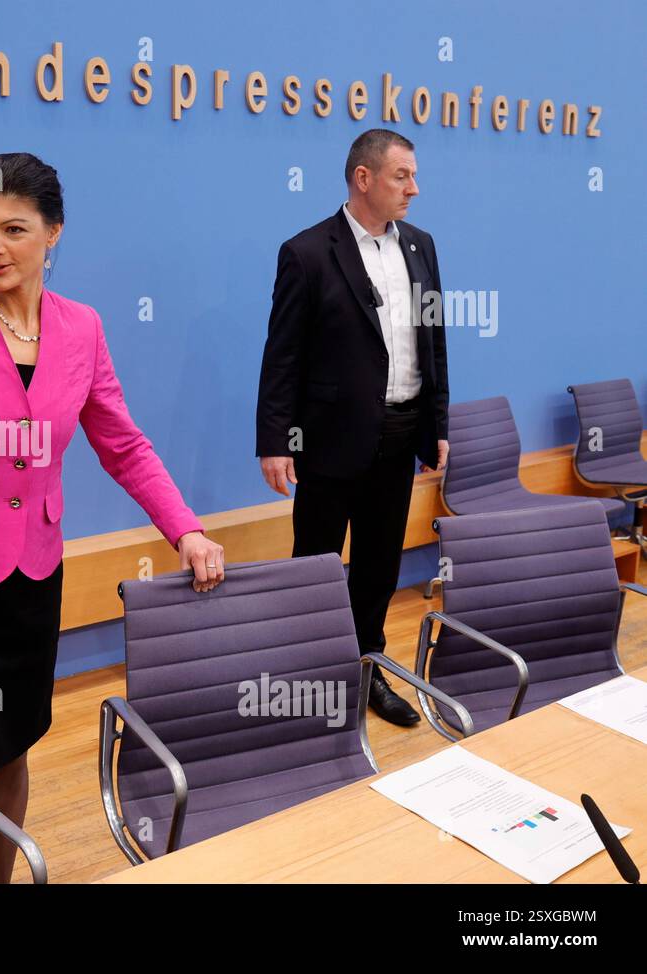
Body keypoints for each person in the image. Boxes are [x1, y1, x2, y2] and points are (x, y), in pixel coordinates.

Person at [0, 152, 224, 883]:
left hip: (34, 574)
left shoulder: (81, 329)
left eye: (14, 229)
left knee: (15, 740)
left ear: (54, 232)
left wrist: (183, 528)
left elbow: (121, 442)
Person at [255, 129, 449, 726]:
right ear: (363, 179)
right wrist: (274, 440)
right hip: (328, 440)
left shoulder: (420, 247)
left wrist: (436, 422)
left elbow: (433, 342)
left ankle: (366, 672)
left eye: (414, 176)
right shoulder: (308, 252)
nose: (414, 189)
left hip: (399, 435)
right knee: (315, 564)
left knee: (377, 567)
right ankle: (306, 685)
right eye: (401, 177)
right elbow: (282, 354)